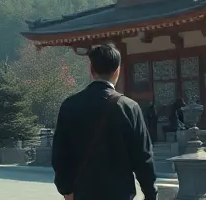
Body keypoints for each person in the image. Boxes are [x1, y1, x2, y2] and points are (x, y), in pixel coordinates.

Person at [52, 45, 157, 200]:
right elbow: (143, 157)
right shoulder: (129, 107)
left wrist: (66, 189)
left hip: (82, 193)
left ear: (91, 69)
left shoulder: (70, 105)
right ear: (117, 71)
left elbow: (59, 154)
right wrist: (150, 194)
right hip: (119, 193)